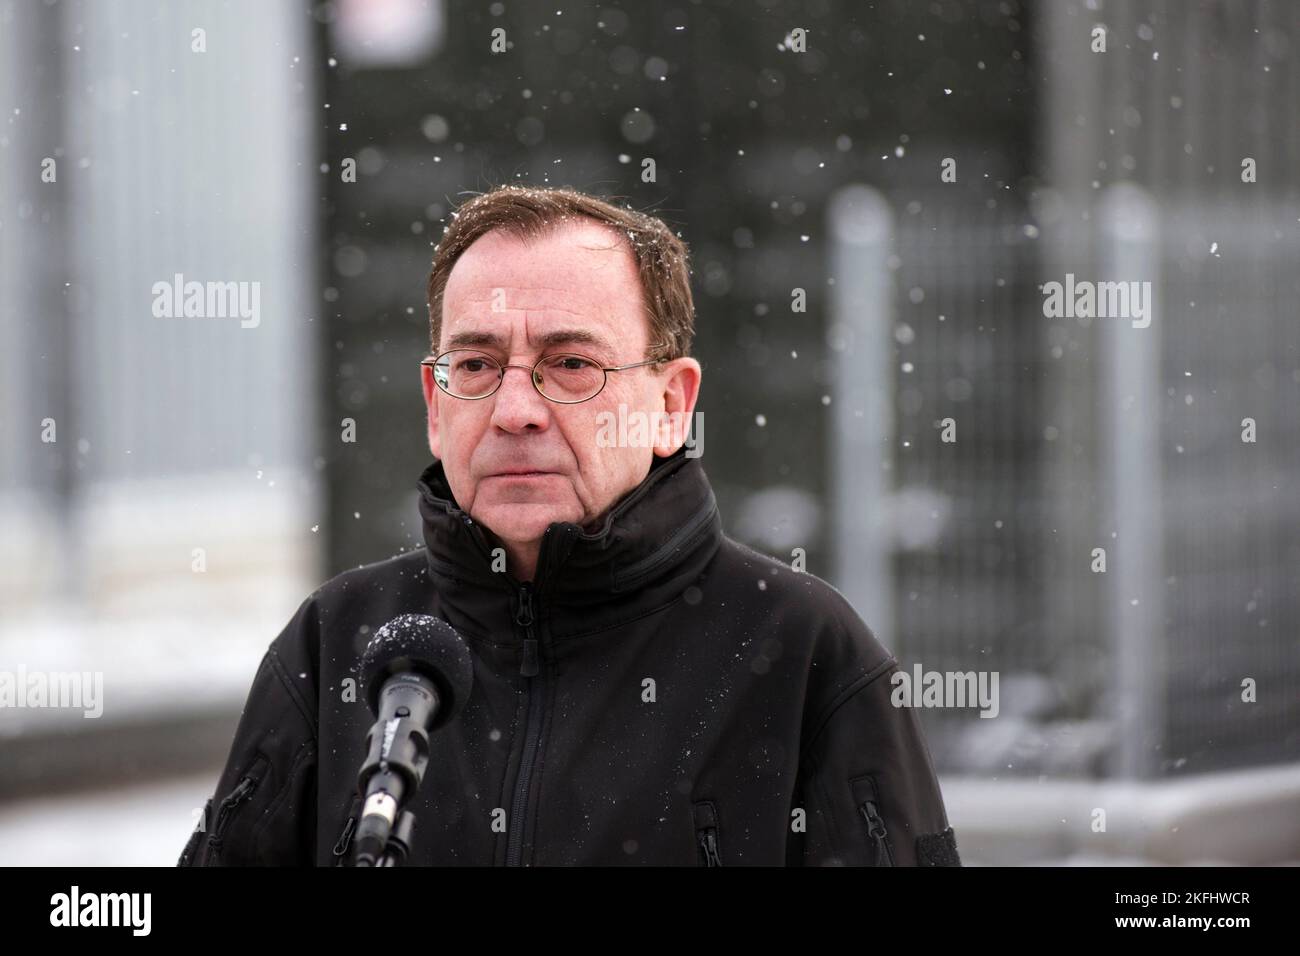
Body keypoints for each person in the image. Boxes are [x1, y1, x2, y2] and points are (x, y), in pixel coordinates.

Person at [178, 184, 959, 866]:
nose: (516, 411)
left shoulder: (804, 656)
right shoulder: (338, 644)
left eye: (572, 365)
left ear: (671, 404)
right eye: (478, 366)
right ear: (433, 403)